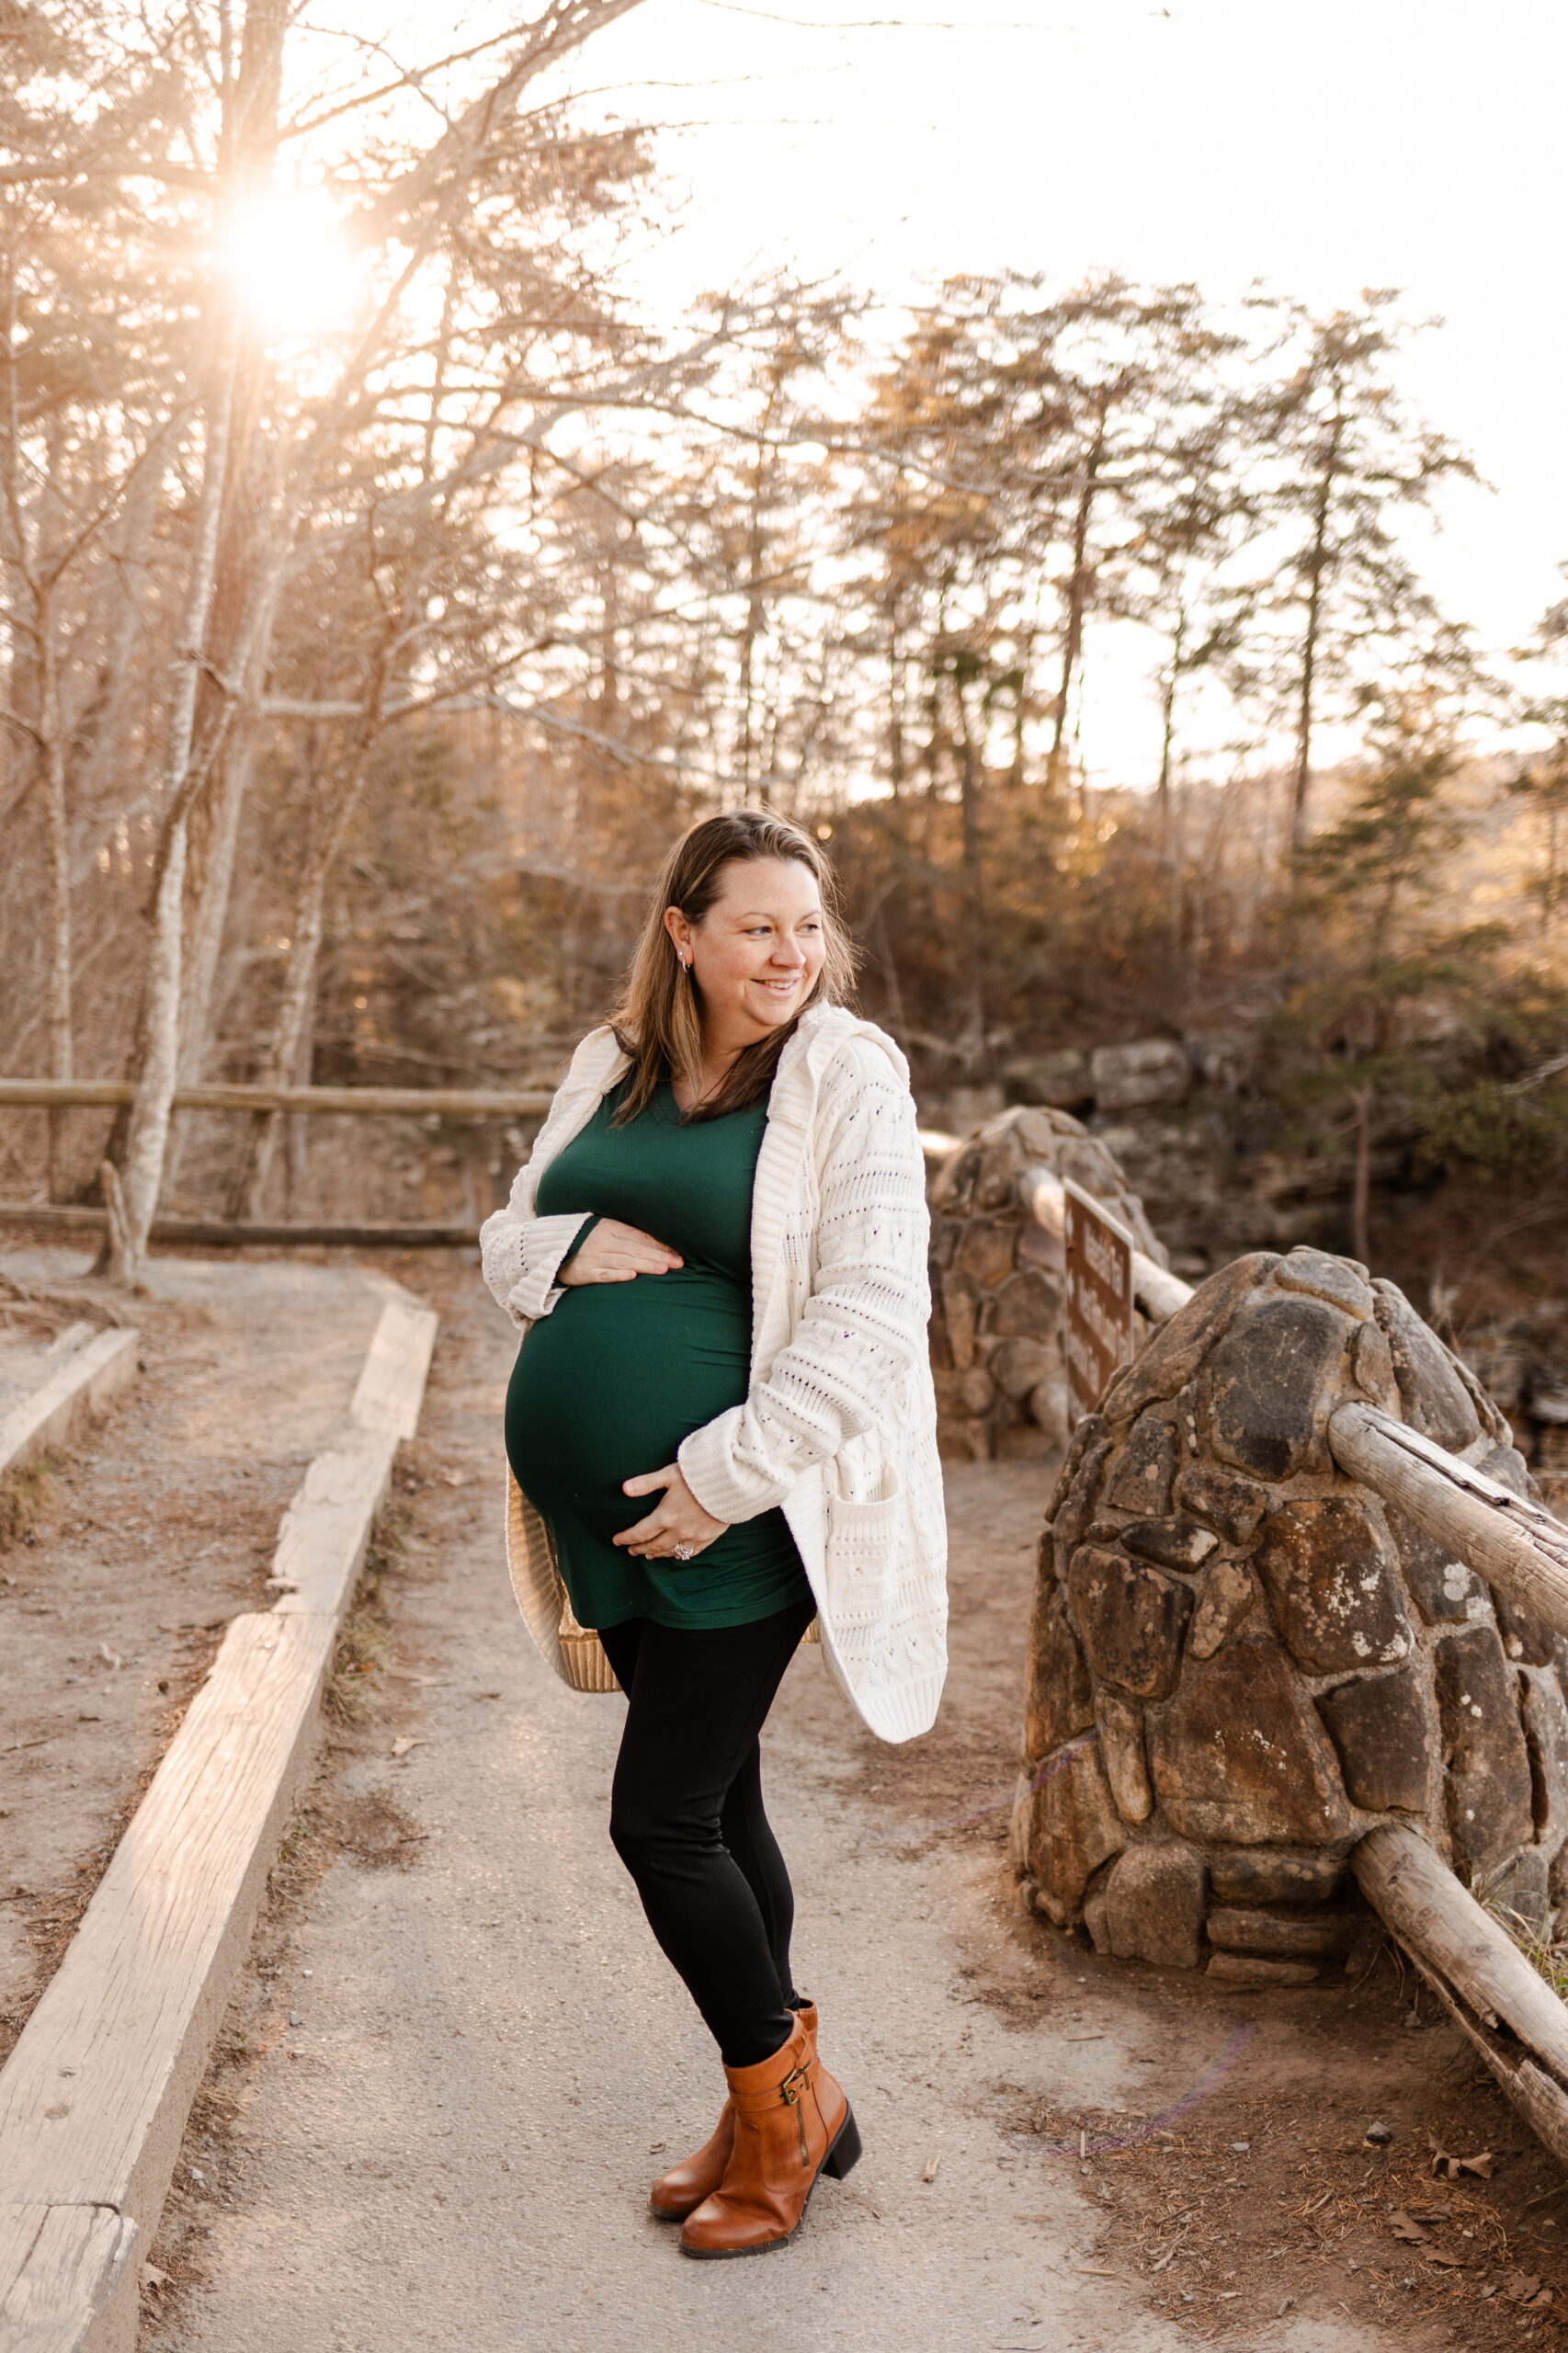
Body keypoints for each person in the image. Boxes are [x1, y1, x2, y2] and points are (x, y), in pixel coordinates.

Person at [480, 806, 947, 2258]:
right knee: (722, 1804)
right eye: (756, 927)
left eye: (806, 927)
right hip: (614, 1523)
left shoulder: (844, 1075)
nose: (789, 954)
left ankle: (782, 2112)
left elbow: (874, 1310)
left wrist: (723, 1476)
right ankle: (779, 2109)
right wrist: (560, 1246)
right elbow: (506, 1230)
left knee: (660, 1821)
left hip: (741, 1511)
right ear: (682, 934)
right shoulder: (609, 1061)